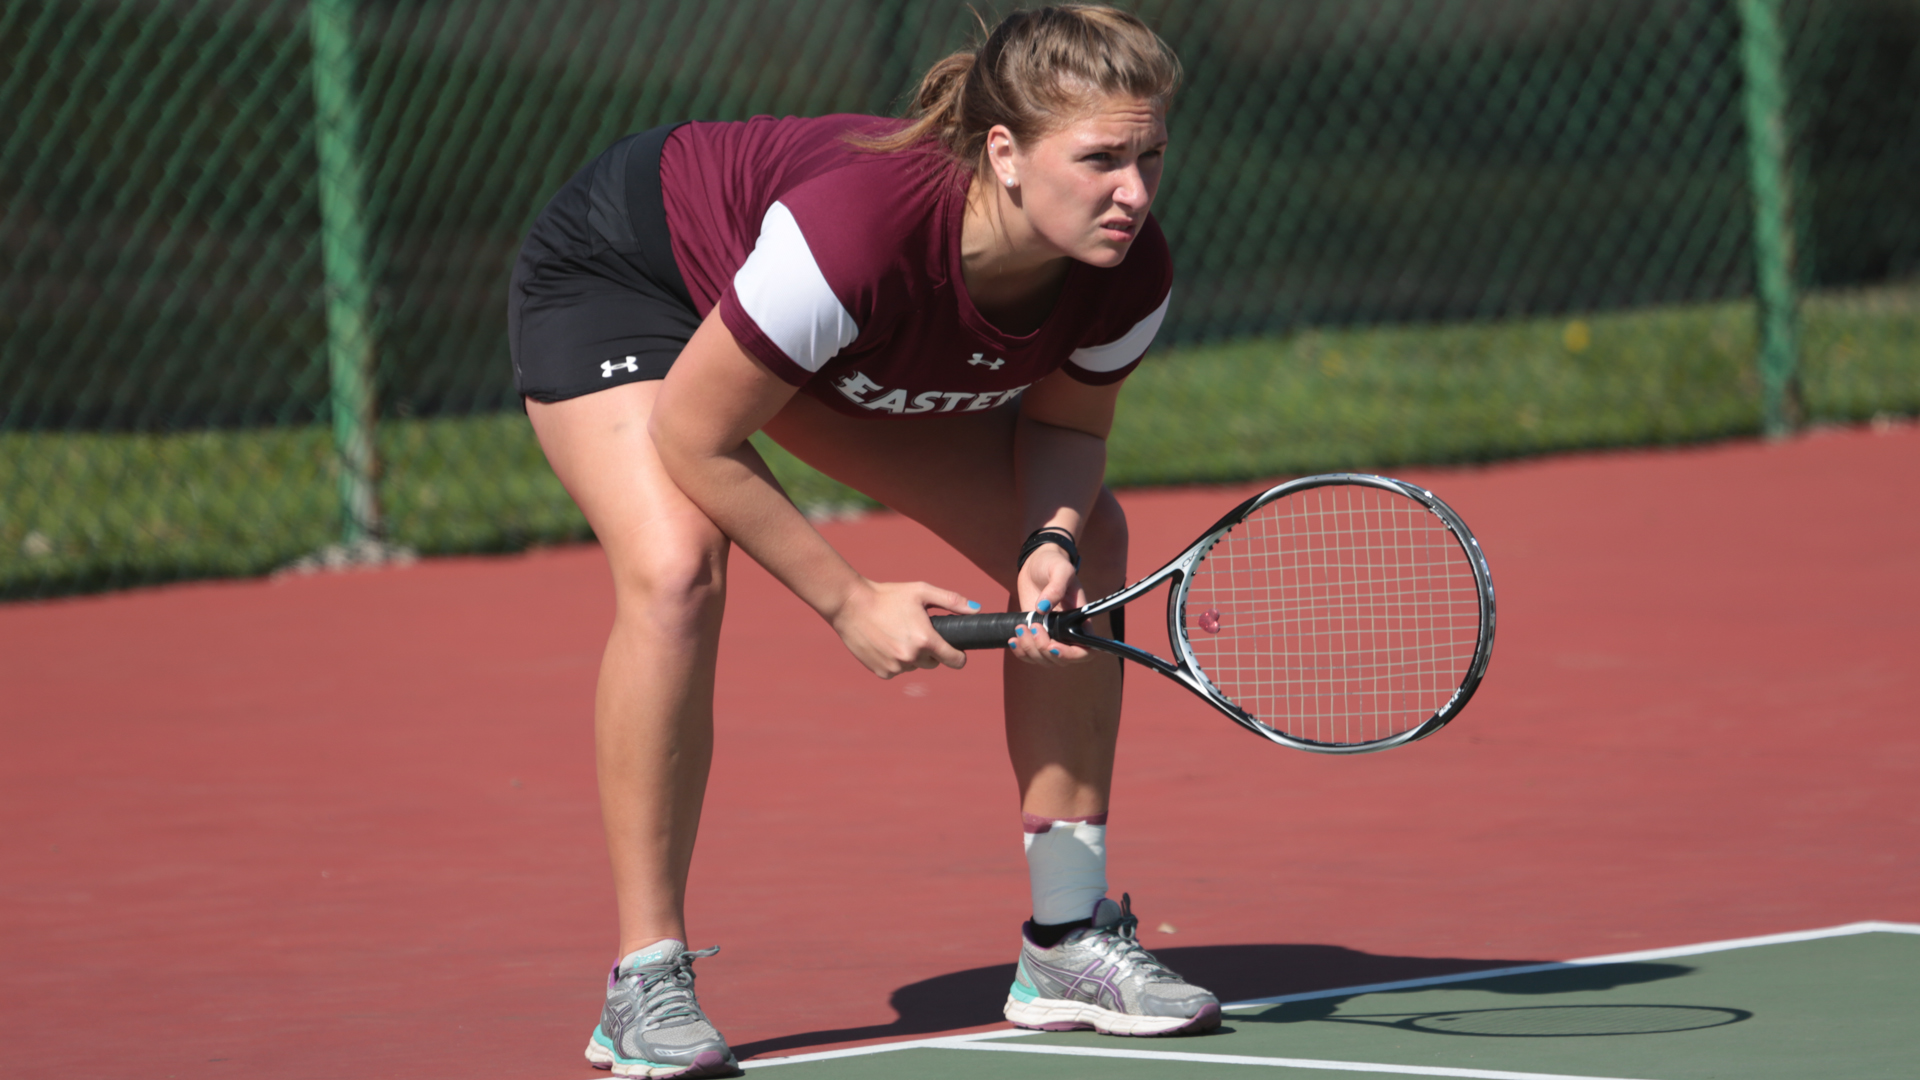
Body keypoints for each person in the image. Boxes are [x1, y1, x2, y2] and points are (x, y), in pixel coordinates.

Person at [507, 7, 1217, 1077]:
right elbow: (693, 435)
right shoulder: (857, 237)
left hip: (818, 334)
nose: (1134, 191)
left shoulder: (1128, 269)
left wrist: (1050, 541)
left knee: (1096, 546)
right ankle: (643, 978)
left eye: (1150, 156)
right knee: (677, 570)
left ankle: (1067, 941)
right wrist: (849, 601)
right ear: (1006, 153)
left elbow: (1068, 430)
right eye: (1101, 159)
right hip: (632, 276)